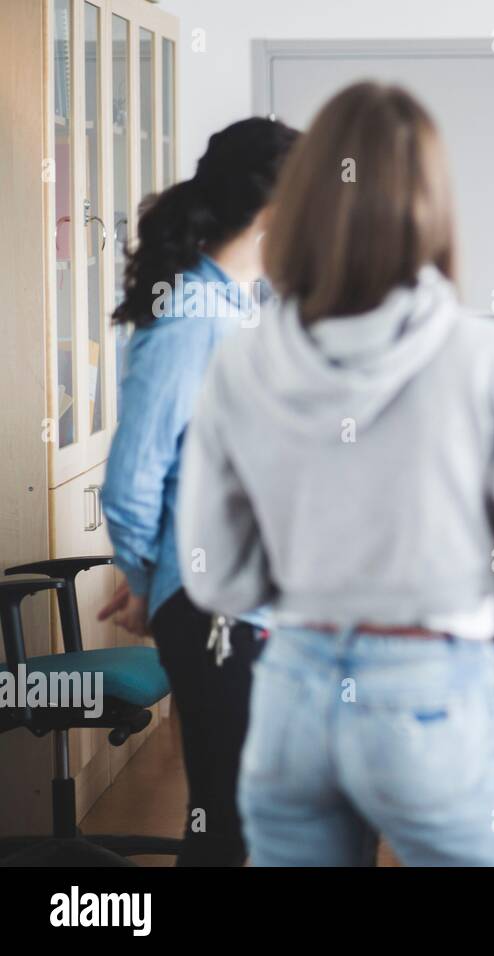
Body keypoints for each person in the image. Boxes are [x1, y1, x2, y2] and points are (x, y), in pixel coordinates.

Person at [176, 82, 494, 866]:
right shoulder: (490, 356)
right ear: (434, 205)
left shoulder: (243, 358)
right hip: (426, 693)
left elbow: (216, 577)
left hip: (289, 694)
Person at [99, 117, 298, 866]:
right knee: (232, 820)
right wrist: (154, 584)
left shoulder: (251, 307)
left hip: (251, 597)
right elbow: (131, 482)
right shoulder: (192, 318)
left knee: (253, 820)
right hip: (218, 608)